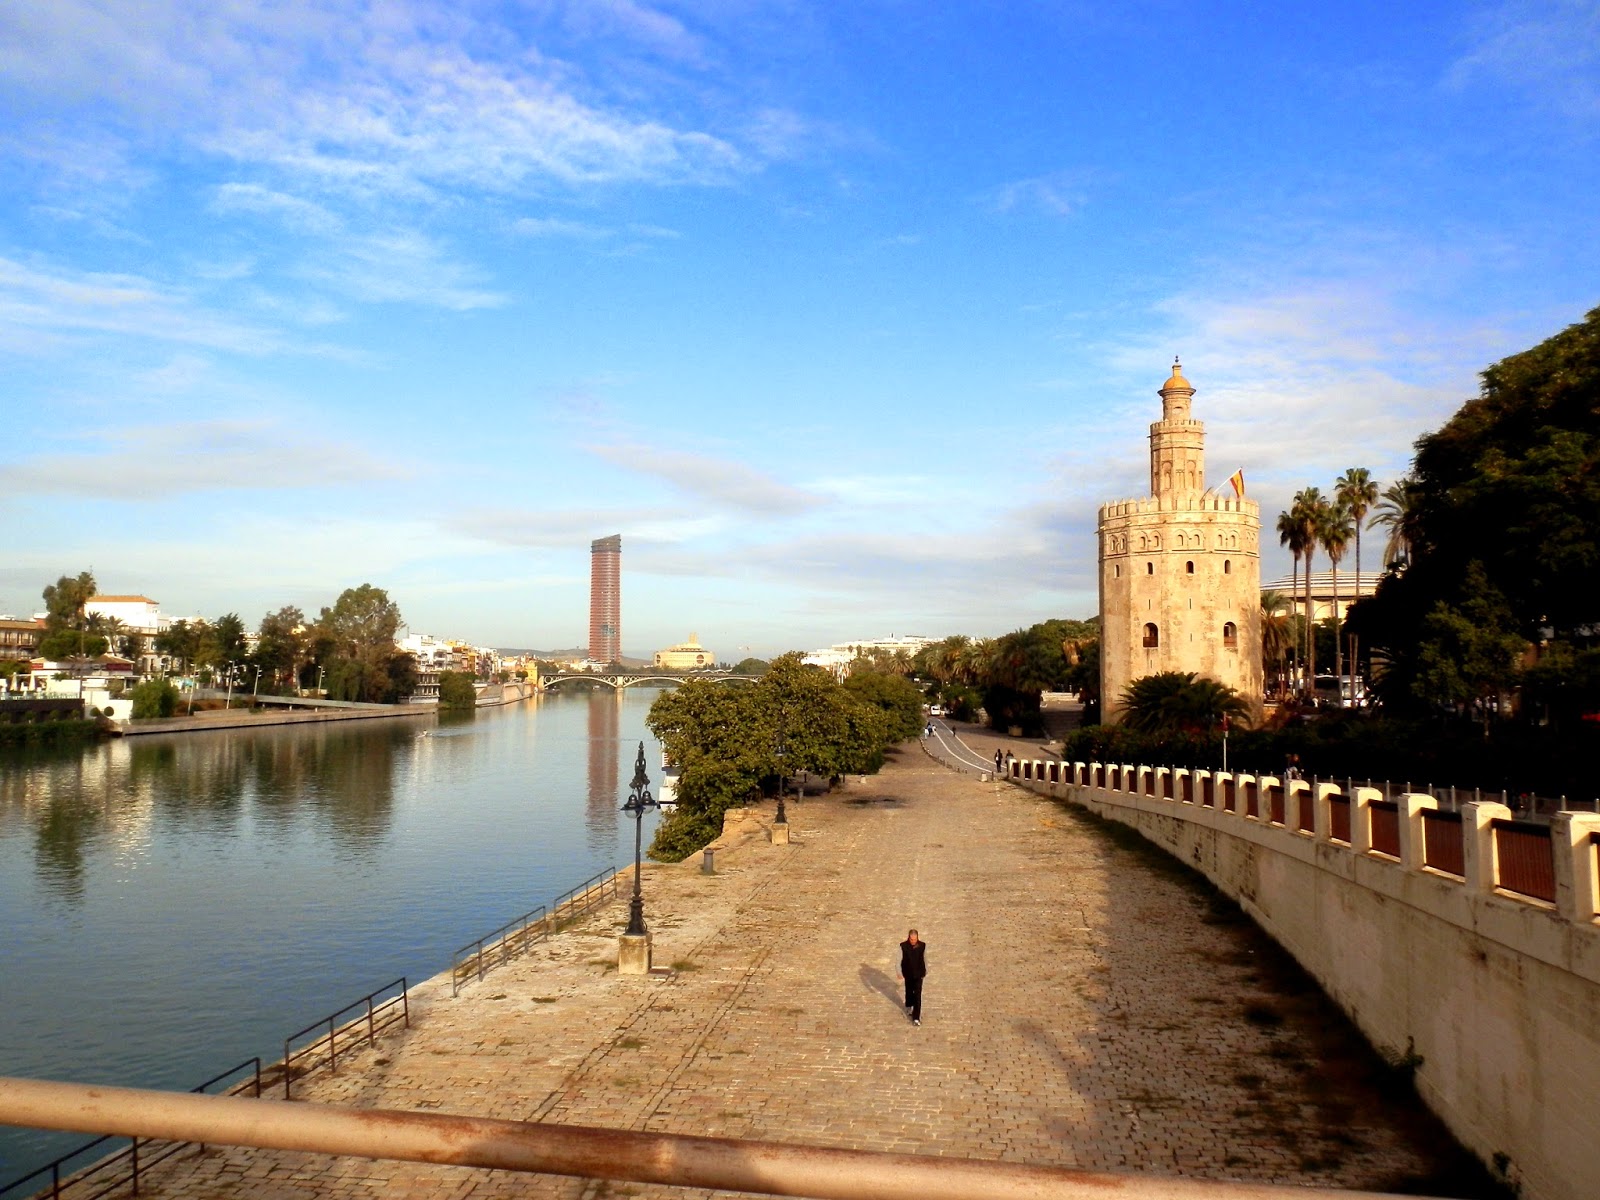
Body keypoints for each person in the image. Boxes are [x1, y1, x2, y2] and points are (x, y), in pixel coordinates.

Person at [897, 929, 927, 1025]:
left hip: (919, 973)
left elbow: (926, 959)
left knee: (918, 995)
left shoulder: (922, 946)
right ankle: (909, 1005)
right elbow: (898, 960)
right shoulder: (903, 946)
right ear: (908, 938)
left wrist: (926, 970)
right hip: (908, 973)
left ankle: (916, 1017)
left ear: (917, 938)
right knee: (909, 991)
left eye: (915, 939)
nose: (913, 941)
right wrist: (899, 972)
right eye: (911, 939)